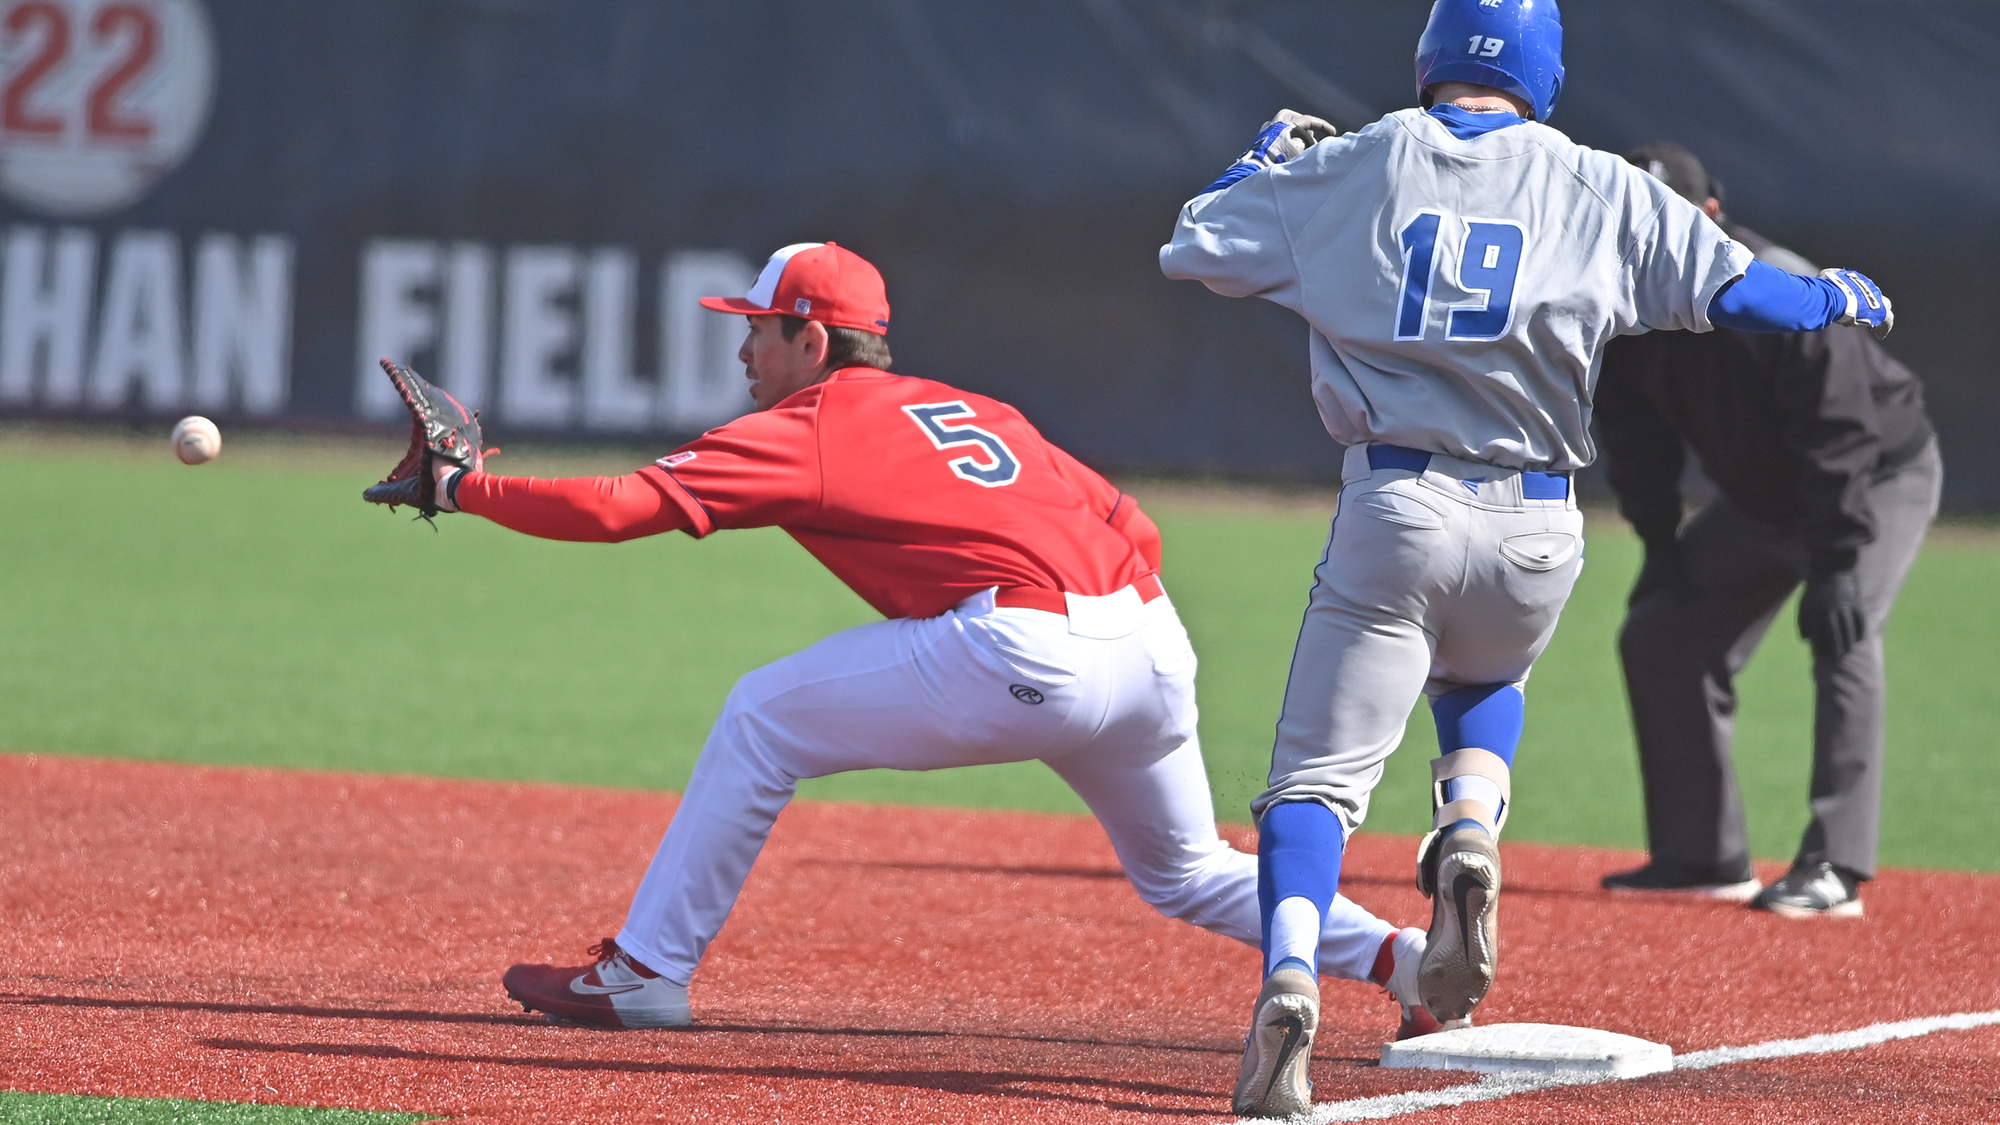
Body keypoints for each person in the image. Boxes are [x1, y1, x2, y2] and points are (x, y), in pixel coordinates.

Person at [366, 241, 1454, 1038]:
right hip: (1149, 641)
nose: (742, 347)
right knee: (1183, 869)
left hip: (1026, 648)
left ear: (812, 339)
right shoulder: (974, 407)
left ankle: (646, 972)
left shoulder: (808, 426)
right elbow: (1138, 529)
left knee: (759, 717)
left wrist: (463, 487)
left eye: (758, 327)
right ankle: (1407, 962)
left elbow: (618, 508)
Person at [1157, 0, 1895, 1115]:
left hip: (1399, 501)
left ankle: (1292, 976)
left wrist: (1266, 154)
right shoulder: (1596, 179)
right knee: (1483, 676)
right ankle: (1467, 824)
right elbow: (1753, 295)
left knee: (1313, 785)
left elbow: (1195, 242)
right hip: (1537, 525)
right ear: (1541, 73)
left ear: (1429, 58)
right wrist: (1837, 293)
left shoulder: (1363, 159)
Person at [1596, 143, 1940, 918]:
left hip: (1874, 477)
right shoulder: (1623, 302)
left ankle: (1835, 865)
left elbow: (1842, 424)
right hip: (1765, 499)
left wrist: (1837, 562)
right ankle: (1701, 855)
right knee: (1659, 633)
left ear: (1712, 215)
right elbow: (1634, 436)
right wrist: (1659, 541)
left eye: (1672, 223)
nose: (1655, 243)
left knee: (1845, 630)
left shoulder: (1774, 285)